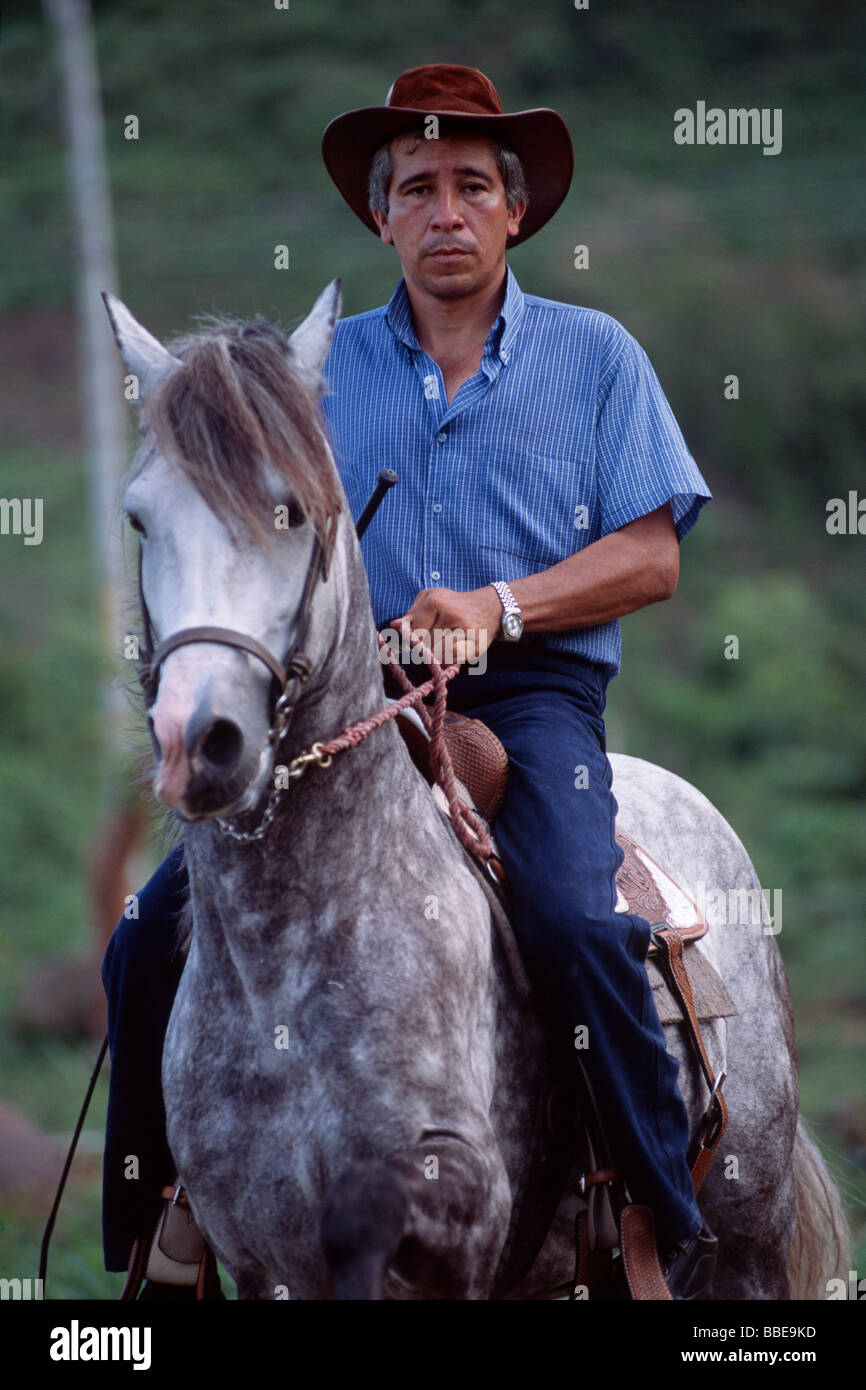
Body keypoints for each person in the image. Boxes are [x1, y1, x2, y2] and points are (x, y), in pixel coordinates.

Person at [102, 63, 716, 1299]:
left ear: (515, 211)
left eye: (471, 186)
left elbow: (650, 554)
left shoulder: (595, 358)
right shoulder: (311, 376)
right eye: (419, 186)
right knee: (141, 941)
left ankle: (651, 1208)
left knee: (576, 919)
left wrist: (497, 607)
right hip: (349, 700)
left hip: (532, 698)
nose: (446, 209)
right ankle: (164, 1231)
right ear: (381, 215)